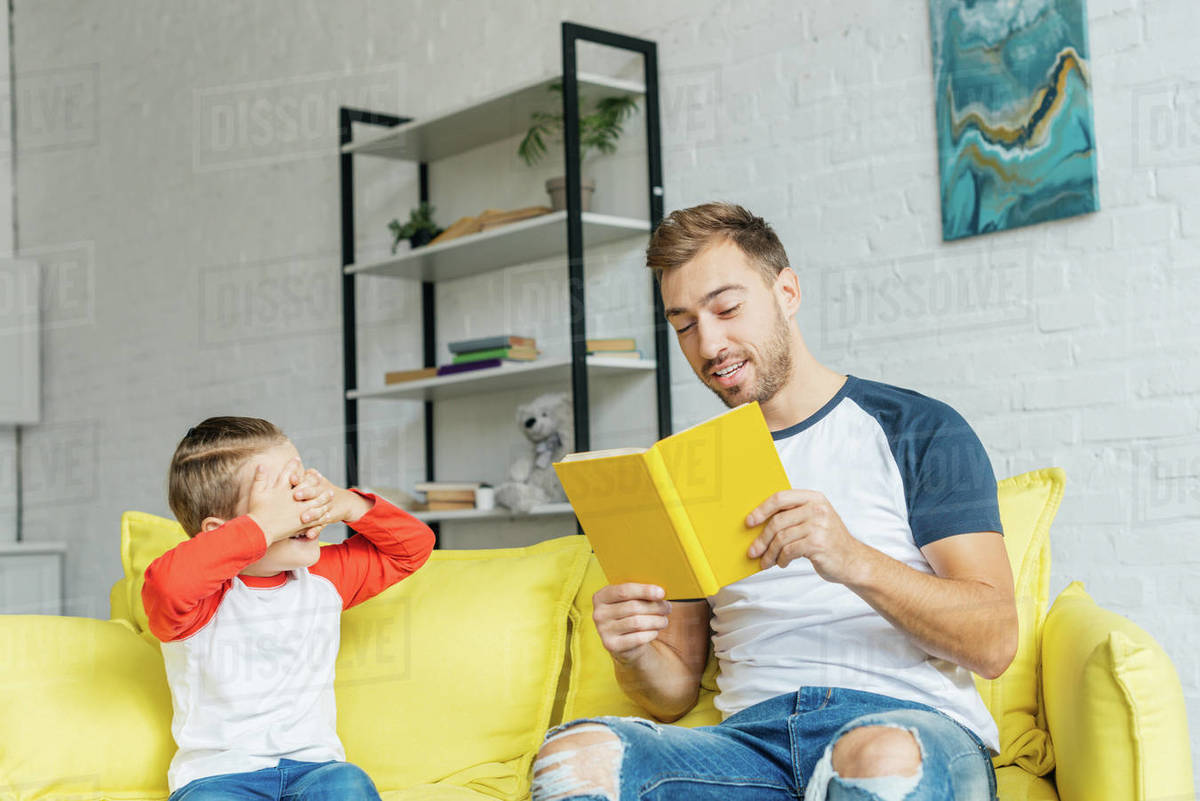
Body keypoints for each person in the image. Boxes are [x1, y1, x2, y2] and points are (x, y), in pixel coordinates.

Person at [532, 203, 1016, 801]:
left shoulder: (916, 428)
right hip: (748, 747)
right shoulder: (688, 469)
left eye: (727, 309)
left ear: (786, 290)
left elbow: (993, 643)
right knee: (573, 759)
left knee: (880, 759)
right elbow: (675, 688)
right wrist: (632, 652)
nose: (709, 344)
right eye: (683, 325)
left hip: (903, 725)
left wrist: (849, 558)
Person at [142, 416, 436, 800]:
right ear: (222, 532)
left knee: (349, 782)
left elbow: (413, 547)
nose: (303, 507)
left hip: (316, 770)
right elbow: (168, 584)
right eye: (283, 501)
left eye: (302, 487)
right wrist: (264, 525)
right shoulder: (200, 601)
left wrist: (345, 503)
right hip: (219, 778)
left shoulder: (322, 579)